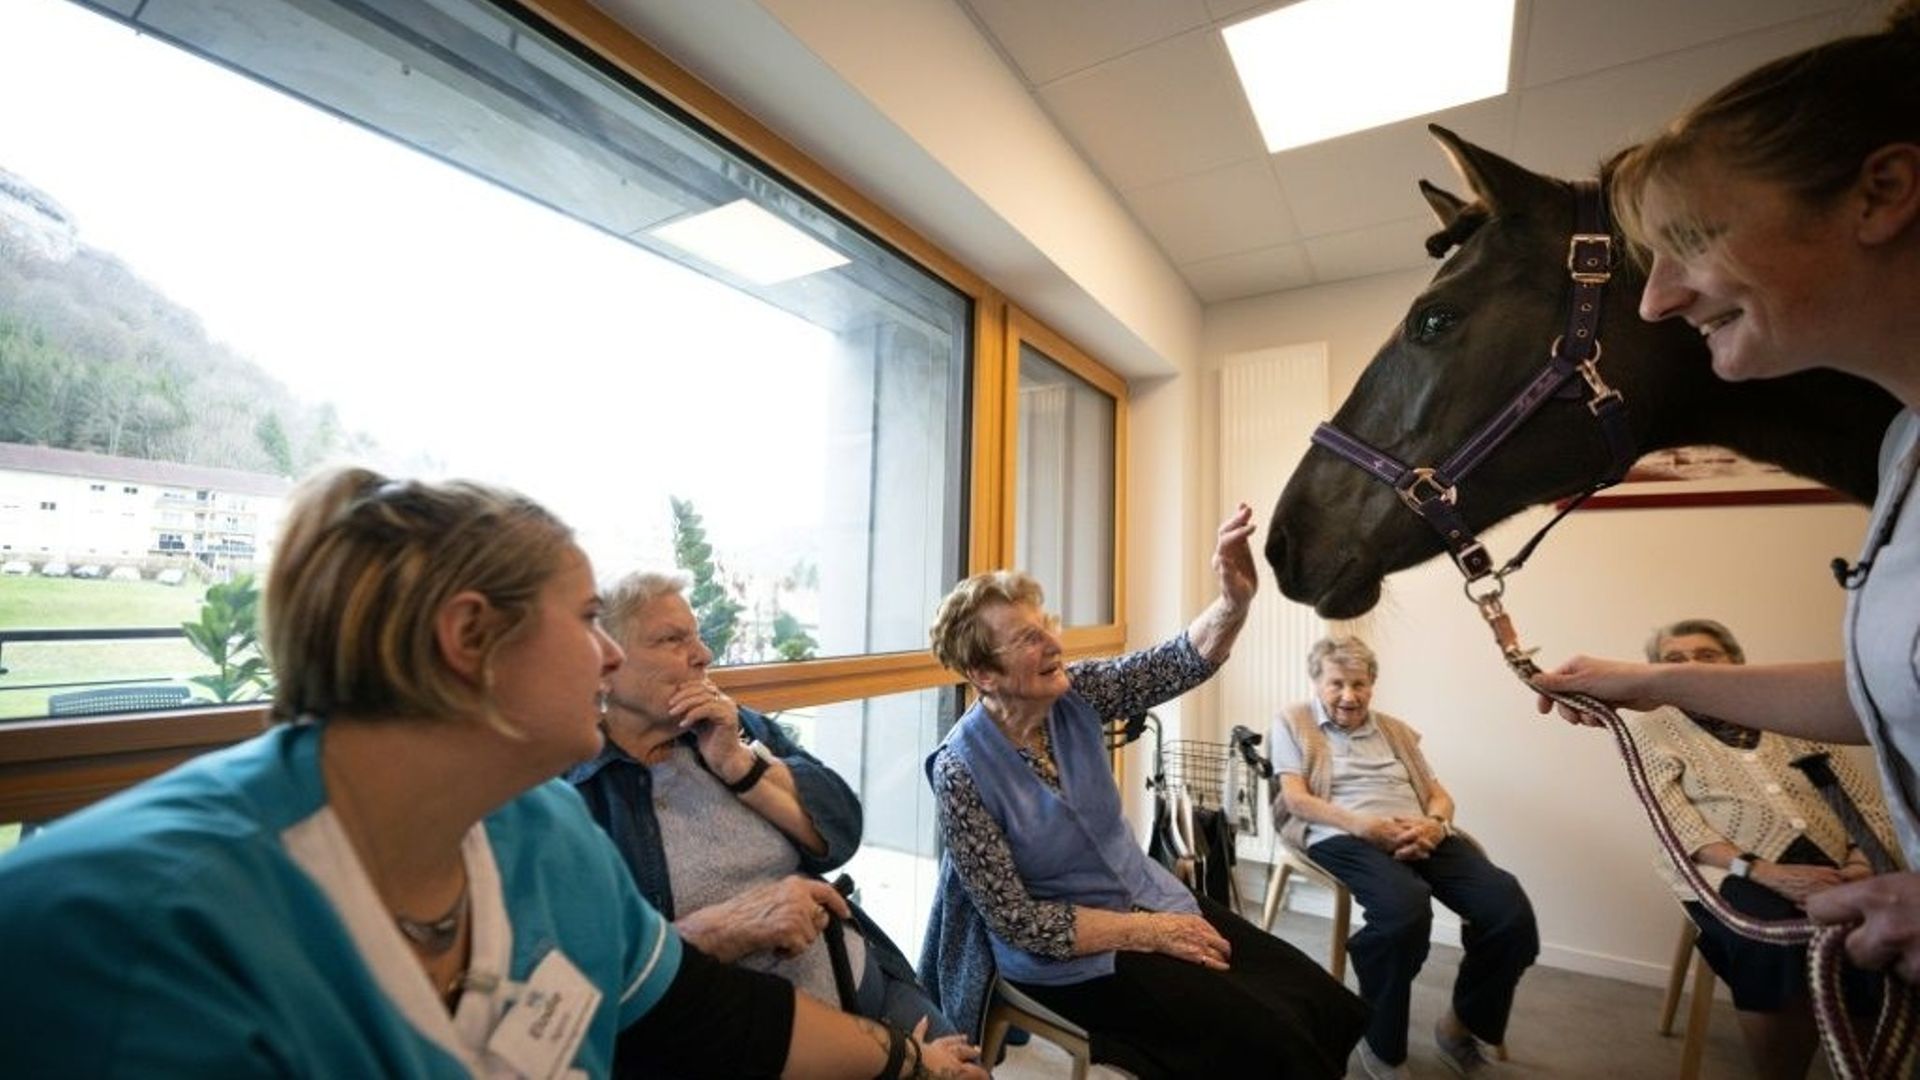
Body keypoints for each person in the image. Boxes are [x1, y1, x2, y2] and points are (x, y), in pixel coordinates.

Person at [0, 468, 985, 1080]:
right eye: (586, 619)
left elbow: (704, 1018)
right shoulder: (127, 925)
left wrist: (905, 1064)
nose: (607, 657)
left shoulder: (538, 841)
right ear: (471, 636)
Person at [1532, 0, 1920, 984]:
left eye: (1692, 238)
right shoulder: (1906, 451)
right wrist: (1652, 681)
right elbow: (1890, 692)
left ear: (1882, 191)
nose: (1658, 298)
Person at [919, 503, 1368, 1079]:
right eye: (1030, 638)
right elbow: (1021, 923)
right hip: (1070, 957)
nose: (1054, 643)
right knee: (1263, 1035)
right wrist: (1151, 933)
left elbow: (1175, 663)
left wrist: (1235, 602)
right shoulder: (960, 772)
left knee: (1308, 993)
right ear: (984, 673)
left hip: (1145, 896)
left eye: (1048, 624)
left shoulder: (1075, 693)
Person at [569, 570, 957, 1038]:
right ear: (604, 663)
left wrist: (737, 765)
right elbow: (603, 973)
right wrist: (734, 925)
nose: (703, 655)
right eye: (673, 640)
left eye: (698, 637)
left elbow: (839, 833)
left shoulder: (727, 725)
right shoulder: (575, 795)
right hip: (745, 1038)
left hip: (861, 979)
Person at [1629, 619, 1894, 1080]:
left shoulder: (1791, 716)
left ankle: (1865, 1066)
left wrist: (1858, 863)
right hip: (1726, 869)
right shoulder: (1653, 730)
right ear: (1659, 673)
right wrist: (1760, 871)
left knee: (1874, 937)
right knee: (1773, 943)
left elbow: (1865, 804)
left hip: (1835, 860)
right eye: (1675, 660)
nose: (1692, 667)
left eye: (1707, 655)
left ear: (1737, 664)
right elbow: (1670, 819)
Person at [1270, 636, 1536, 1079]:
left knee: (1507, 909)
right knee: (1403, 912)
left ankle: (1459, 1028)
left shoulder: (1393, 730)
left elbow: (1438, 794)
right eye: (1336, 683)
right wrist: (1364, 826)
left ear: (1373, 684)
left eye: (1359, 683)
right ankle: (1381, 1042)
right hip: (1343, 833)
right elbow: (1296, 800)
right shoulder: (1293, 722)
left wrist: (1435, 825)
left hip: (1419, 831)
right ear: (1316, 681)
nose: (1349, 695)